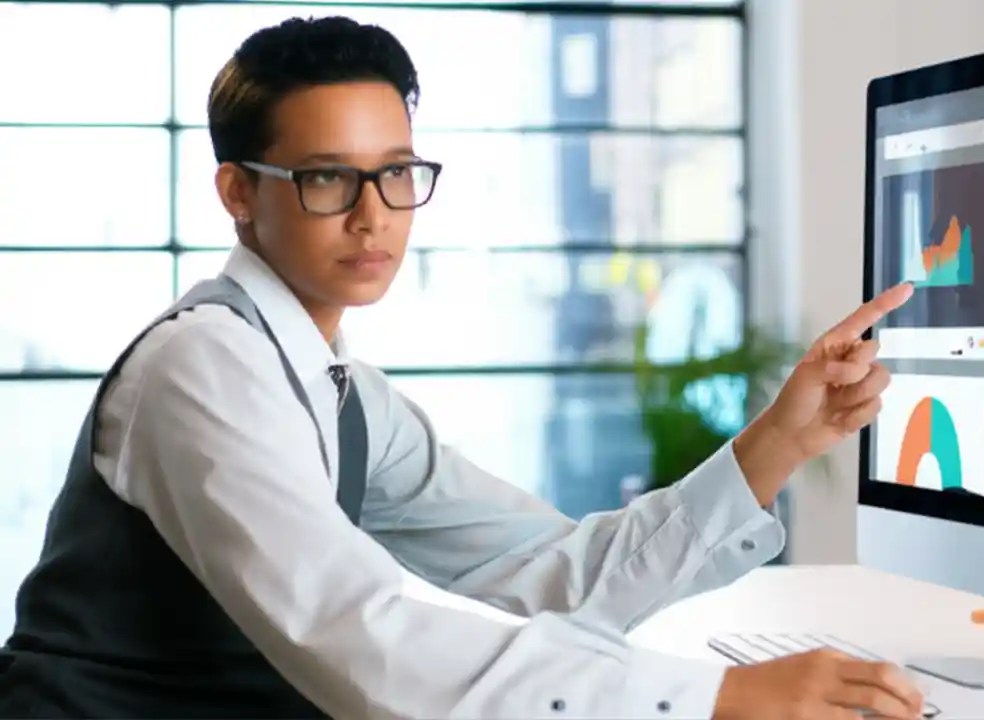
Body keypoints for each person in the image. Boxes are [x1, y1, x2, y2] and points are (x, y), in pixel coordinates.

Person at [0, 16, 920, 720]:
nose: (375, 216)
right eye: (328, 178)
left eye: (397, 172)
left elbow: (552, 571)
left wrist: (776, 446)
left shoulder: (338, 390)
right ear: (239, 192)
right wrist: (716, 699)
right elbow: (358, 633)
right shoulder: (201, 368)